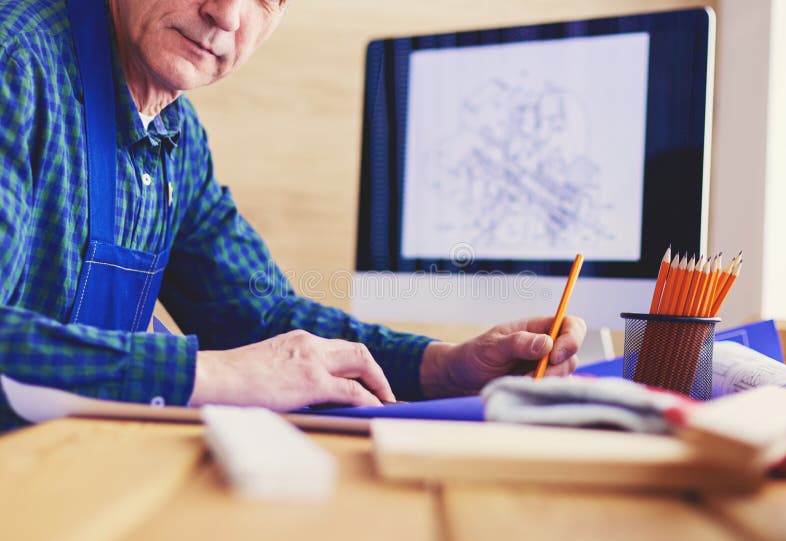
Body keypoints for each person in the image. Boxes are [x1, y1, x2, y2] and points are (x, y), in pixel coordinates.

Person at [0, 0, 586, 431]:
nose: (227, 15)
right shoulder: (15, 66)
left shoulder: (179, 139)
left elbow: (262, 315)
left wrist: (444, 368)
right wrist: (220, 377)